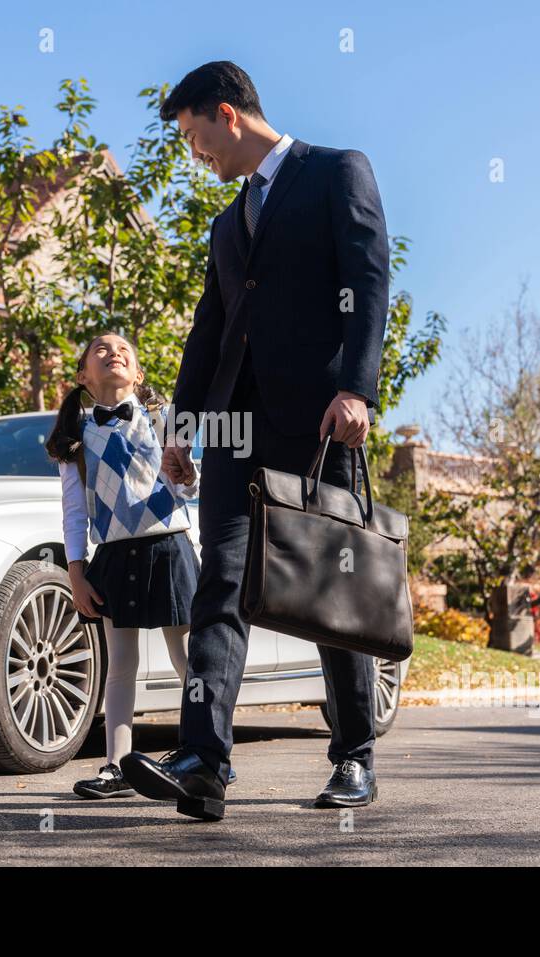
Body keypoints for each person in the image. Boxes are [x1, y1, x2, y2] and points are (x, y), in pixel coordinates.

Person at [119, 61, 390, 821]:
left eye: (192, 134)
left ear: (227, 114)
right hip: (237, 428)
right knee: (222, 585)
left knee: (330, 593)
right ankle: (204, 759)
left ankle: (354, 755)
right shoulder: (225, 224)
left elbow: (369, 279)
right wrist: (182, 426)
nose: (192, 152)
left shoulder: (337, 172)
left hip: (319, 421)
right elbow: (212, 329)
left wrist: (358, 388)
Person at [45, 332, 200, 799]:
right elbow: (74, 512)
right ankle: (116, 766)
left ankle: (206, 753)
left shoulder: (167, 420)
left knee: (189, 658)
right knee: (120, 666)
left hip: (169, 546)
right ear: (83, 376)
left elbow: (196, 489)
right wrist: (76, 572)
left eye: (124, 351)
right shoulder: (74, 438)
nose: (114, 354)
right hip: (113, 555)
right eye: (101, 349)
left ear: (138, 375)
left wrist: (189, 477)